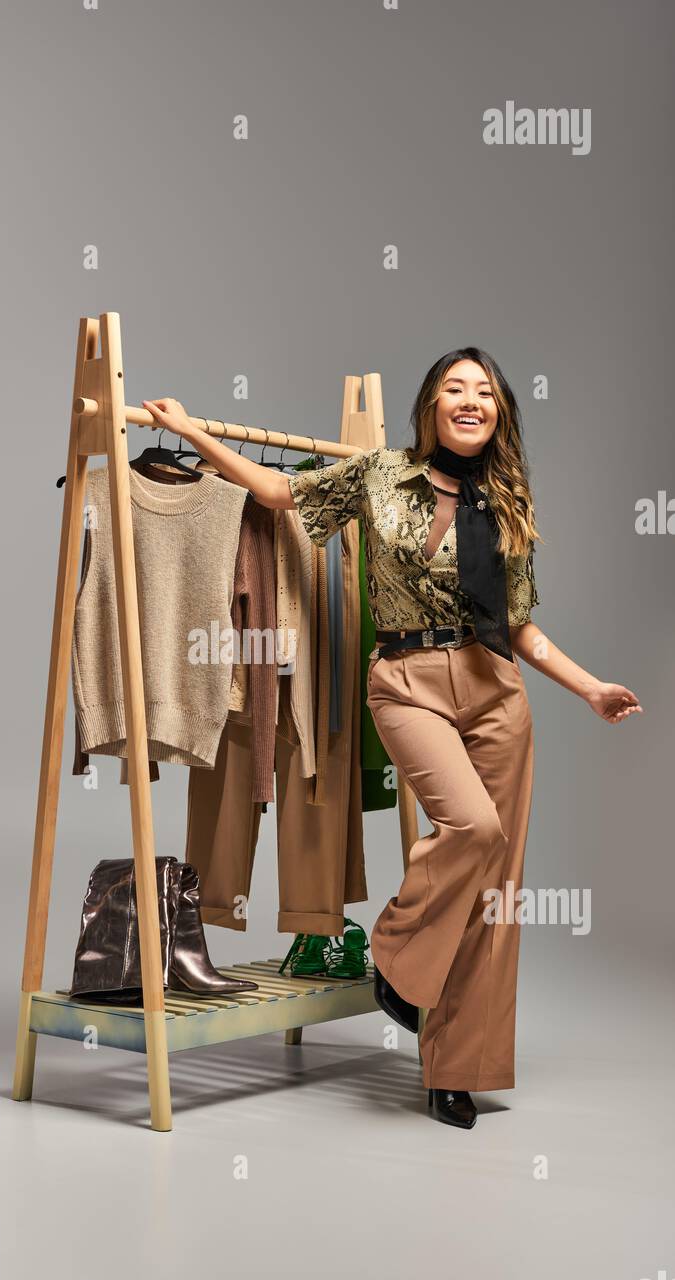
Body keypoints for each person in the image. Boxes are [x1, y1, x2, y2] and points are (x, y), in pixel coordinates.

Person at [141, 347, 642, 1129]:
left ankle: (454, 1071)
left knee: (493, 887)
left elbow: (520, 628)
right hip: (406, 679)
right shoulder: (379, 474)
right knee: (469, 828)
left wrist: (589, 689)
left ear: (500, 411)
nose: (470, 400)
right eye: (455, 387)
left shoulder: (508, 500)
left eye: (484, 391)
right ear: (430, 404)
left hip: (494, 687)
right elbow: (277, 492)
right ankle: (399, 959)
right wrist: (190, 434)